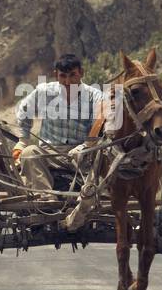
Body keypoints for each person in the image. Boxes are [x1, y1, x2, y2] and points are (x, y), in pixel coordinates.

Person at [13, 54, 103, 194]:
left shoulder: (95, 96)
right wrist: (23, 140)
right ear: (56, 75)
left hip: (83, 154)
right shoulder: (44, 92)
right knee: (29, 153)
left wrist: (85, 147)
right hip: (50, 152)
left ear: (81, 73)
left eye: (72, 75)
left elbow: (100, 122)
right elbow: (24, 110)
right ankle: (44, 199)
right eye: (63, 76)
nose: (68, 81)